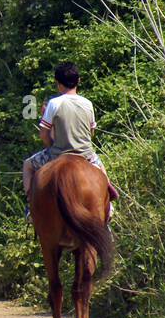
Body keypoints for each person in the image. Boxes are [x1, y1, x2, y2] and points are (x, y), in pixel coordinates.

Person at [23, 62, 119, 220]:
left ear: (58, 84)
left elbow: (44, 135)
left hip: (58, 154)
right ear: (78, 81)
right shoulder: (87, 104)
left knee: (27, 165)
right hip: (86, 155)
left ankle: (30, 206)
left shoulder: (54, 104)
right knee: (102, 174)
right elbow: (91, 133)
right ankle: (108, 208)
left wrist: (51, 146)